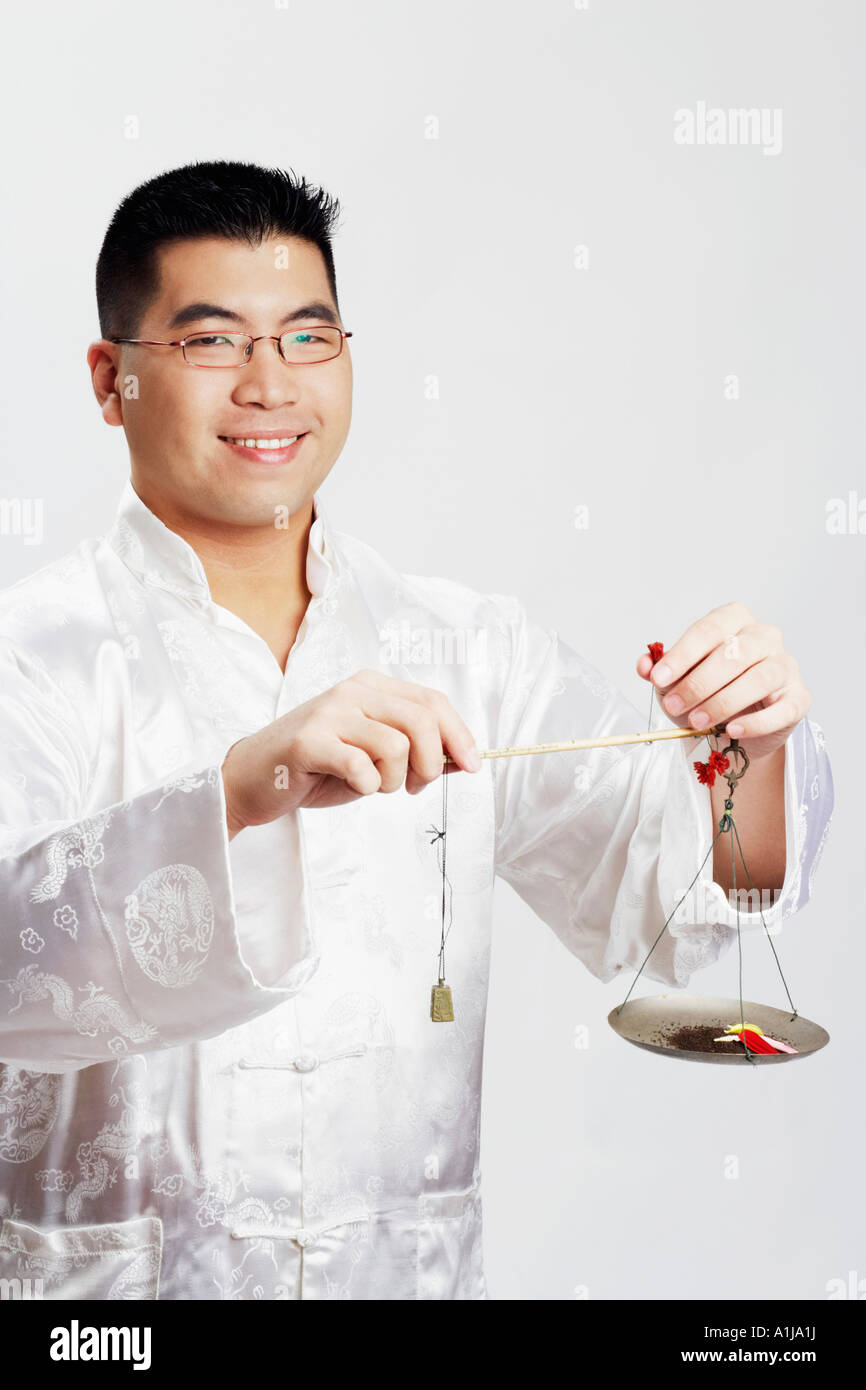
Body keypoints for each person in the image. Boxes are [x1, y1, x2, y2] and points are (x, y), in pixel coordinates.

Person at [0, 160, 833, 1301]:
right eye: (208, 343)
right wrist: (244, 787)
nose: (267, 384)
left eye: (307, 338)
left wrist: (754, 746)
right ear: (112, 380)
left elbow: (686, 909)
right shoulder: (28, 651)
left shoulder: (470, 648)